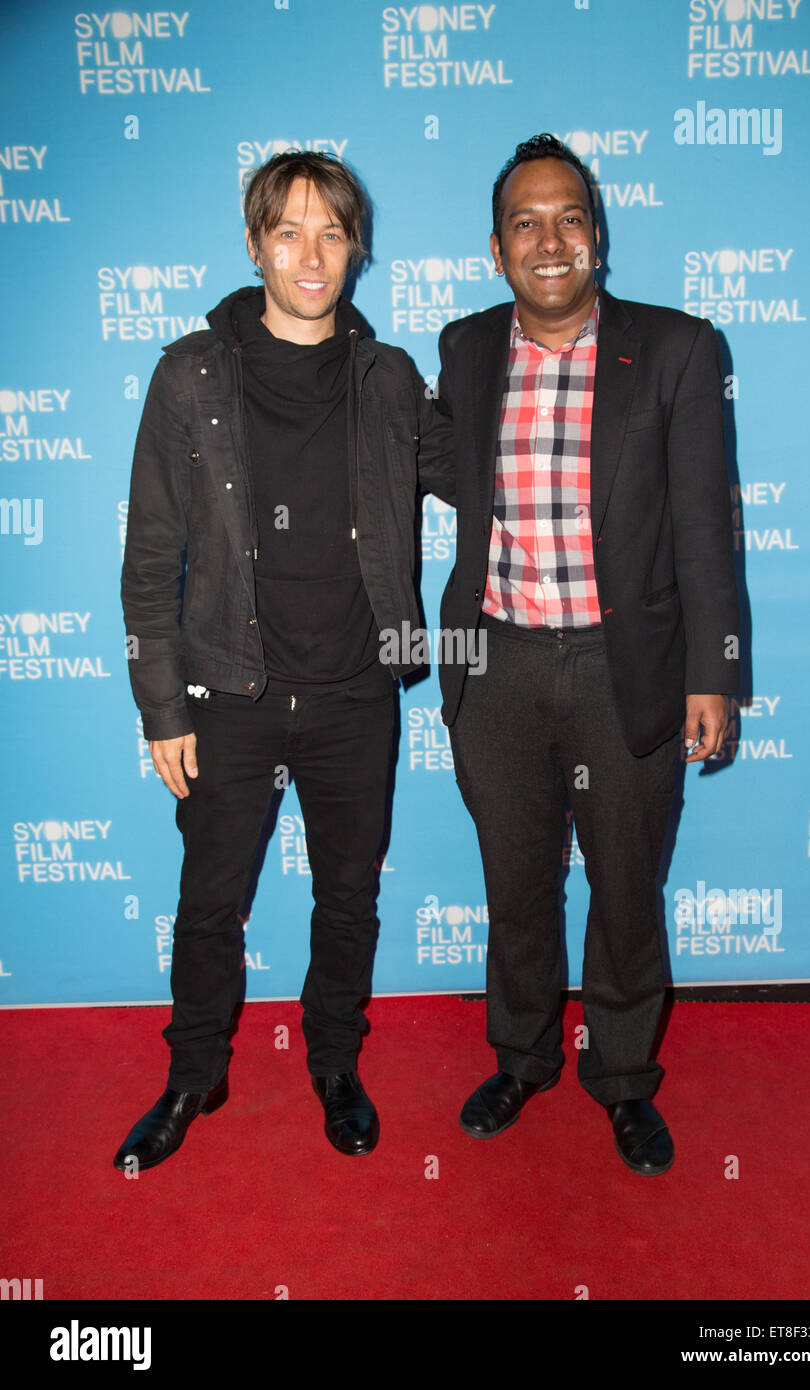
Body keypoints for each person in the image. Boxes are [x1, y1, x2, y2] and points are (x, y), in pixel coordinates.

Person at [116, 151, 453, 1170]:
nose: (311, 255)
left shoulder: (388, 376)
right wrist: (161, 706)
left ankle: (336, 1066)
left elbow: (473, 471)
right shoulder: (189, 374)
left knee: (347, 895)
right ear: (256, 242)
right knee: (209, 898)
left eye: (332, 232)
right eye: (288, 231)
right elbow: (149, 560)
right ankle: (191, 1075)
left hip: (357, 691)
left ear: (356, 247)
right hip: (230, 690)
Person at [435, 133, 739, 1175]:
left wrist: (712, 672)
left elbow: (704, 524)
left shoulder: (675, 348)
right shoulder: (464, 348)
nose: (548, 238)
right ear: (495, 246)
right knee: (514, 883)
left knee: (622, 887)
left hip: (627, 669)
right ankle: (520, 1057)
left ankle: (620, 1077)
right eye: (525, 221)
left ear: (597, 236)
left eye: (568, 217)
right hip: (500, 668)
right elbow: (420, 465)